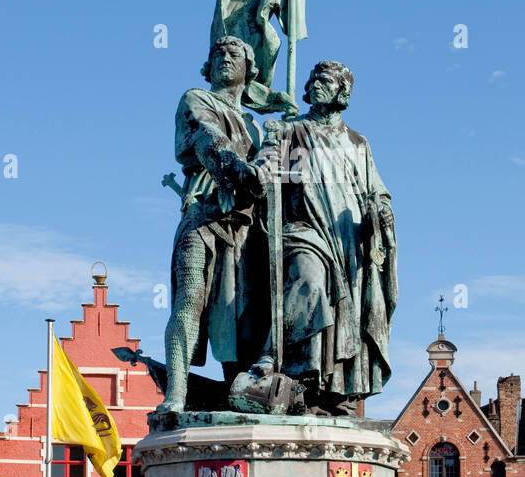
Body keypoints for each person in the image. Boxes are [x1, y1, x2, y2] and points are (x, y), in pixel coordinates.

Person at [254, 61, 396, 414]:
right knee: (309, 279)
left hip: (349, 238)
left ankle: (331, 392)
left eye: (326, 80)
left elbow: (377, 191)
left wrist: (381, 210)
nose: (316, 84)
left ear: (342, 92)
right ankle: (284, 366)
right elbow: (265, 171)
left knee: (353, 311)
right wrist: (268, 152)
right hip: (306, 228)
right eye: (314, 78)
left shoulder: (358, 143)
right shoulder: (292, 132)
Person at [160, 36, 268, 415]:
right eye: (217, 53)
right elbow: (209, 140)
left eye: (234, 53)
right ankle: (176, 392)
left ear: (249, 69)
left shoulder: (259, 129)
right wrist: (241, 171)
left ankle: (236, 396)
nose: (224, 57)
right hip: (202, 215)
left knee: (239, 320)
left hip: (245, 230)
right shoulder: (196, 100)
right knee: (189, 299)